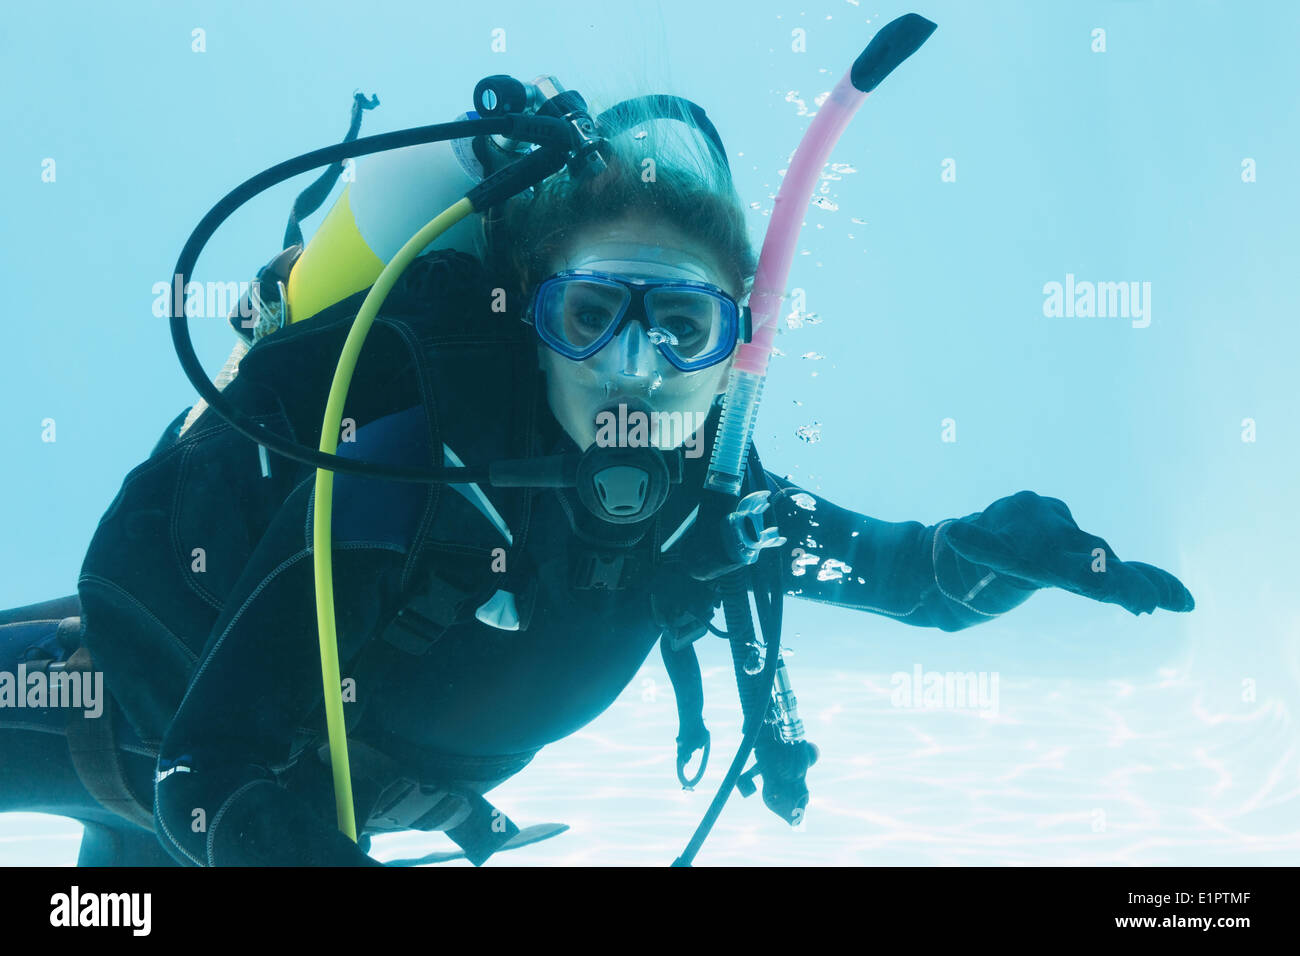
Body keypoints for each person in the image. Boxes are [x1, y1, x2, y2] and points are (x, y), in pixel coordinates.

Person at [0, 85, 1193, 867]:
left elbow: (914, 577)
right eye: (592, 314)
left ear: (736, 352)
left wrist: (1001, 551)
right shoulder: (416, 461)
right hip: (103, 718)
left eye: (680, 326)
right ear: (532, 325)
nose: (635, 368)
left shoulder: (715, 514)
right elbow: (208, 763)